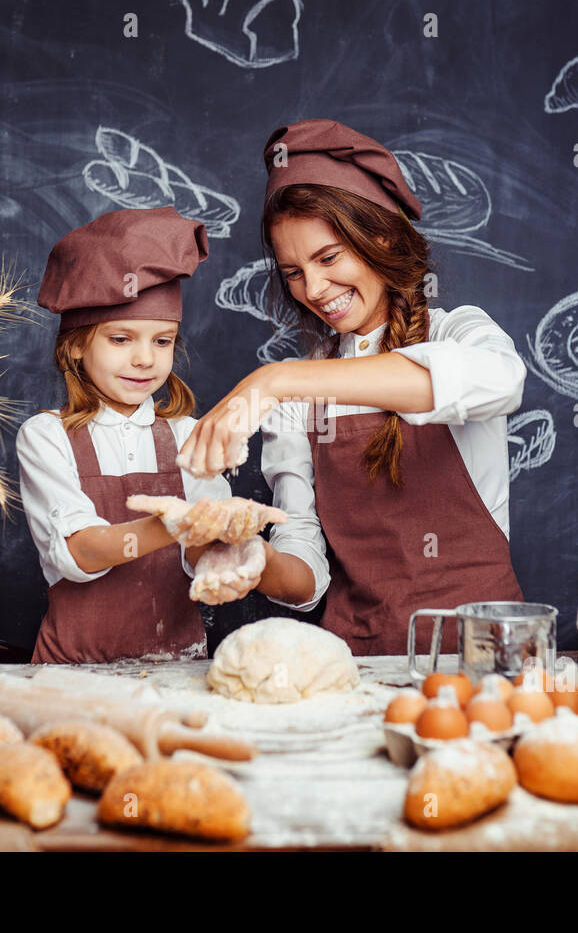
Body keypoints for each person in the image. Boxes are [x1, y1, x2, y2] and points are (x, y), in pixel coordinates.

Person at [179, 119, 527, 655]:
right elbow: (305, 572)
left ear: (380, 236)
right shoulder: (297, 395)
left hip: (482, 659)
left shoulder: (460, 331)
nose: (313, 289)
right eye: (293, 272)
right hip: (356, 662)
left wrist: (278, 378)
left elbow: (502, 381)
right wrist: (255, 561)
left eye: (328, 257)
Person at [17, 206, 231, 663]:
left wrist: (224, 538)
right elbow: (82, 551)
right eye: (121, 339)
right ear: (75, 345)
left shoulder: (188, 434)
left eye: (162, 341)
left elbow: (205, 560)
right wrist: (181, 520)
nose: (144, 360)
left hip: (178, 671)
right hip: (73, 672)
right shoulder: (46, 437)